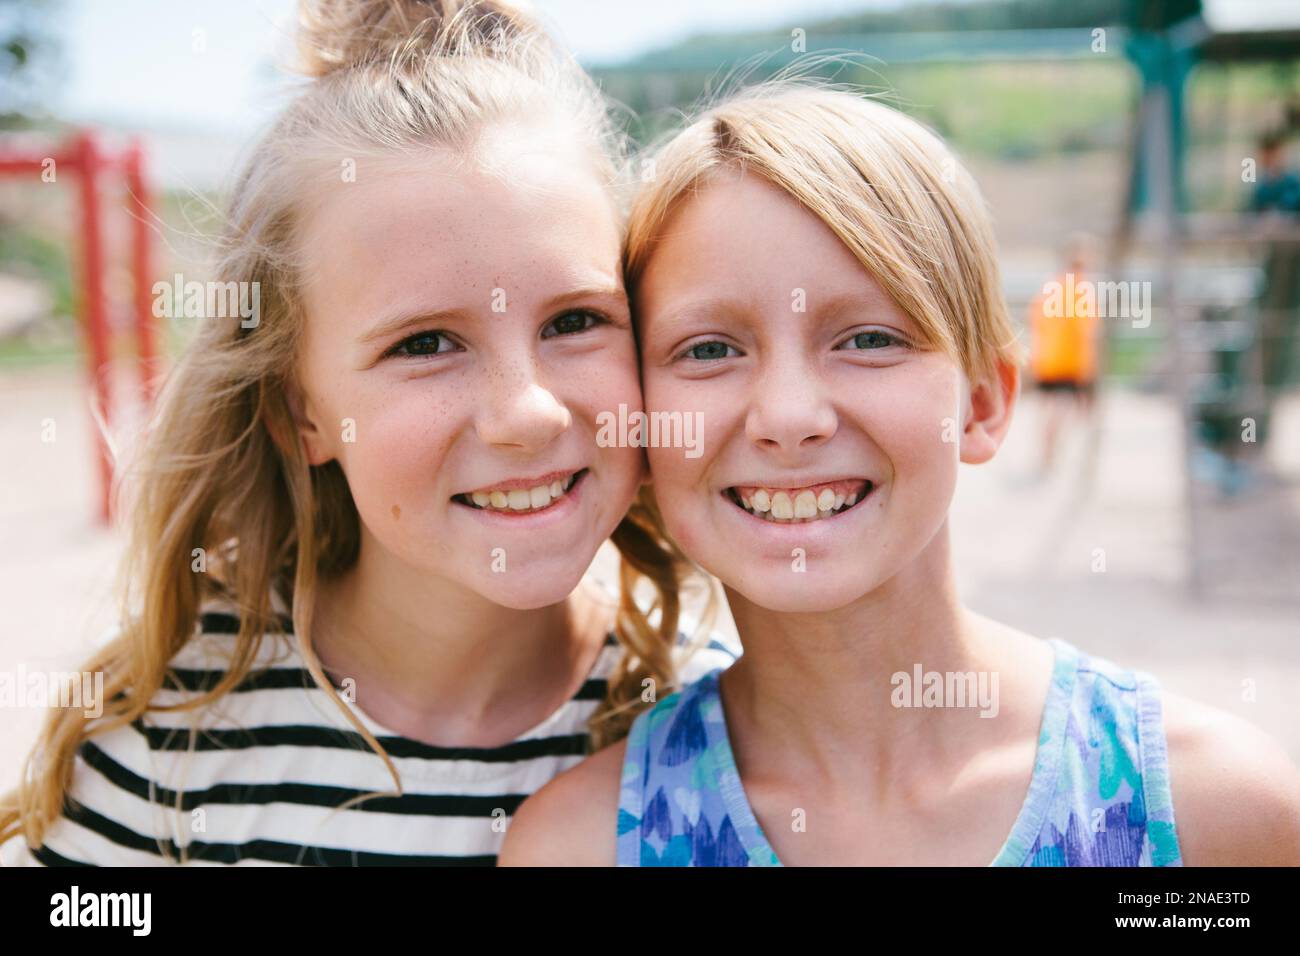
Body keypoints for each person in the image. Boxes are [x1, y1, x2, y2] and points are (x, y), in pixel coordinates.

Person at [0, 0, 732, 867]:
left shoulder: (707, 732)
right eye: (425, 343)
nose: (527, 411)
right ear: (298, 413)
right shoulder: (162, 759)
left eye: (575, 320)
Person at [499, 80, 1300, 867]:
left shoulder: (1214, 817)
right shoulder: (582, 844)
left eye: (870, 339)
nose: (789, 415)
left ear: (983, 401)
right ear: (639, 428)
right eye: (709, 349)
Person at [1028, 232, 1102, 477]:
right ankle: (1059, 457)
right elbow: (1086, 330)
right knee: (1065, 413)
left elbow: (1036, 322)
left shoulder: (1051, 286)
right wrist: (1089, 367)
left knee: (1051, 411)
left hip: (1047, 360)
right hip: (1071, 362)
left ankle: (1047, 455)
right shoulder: (1082, 290)